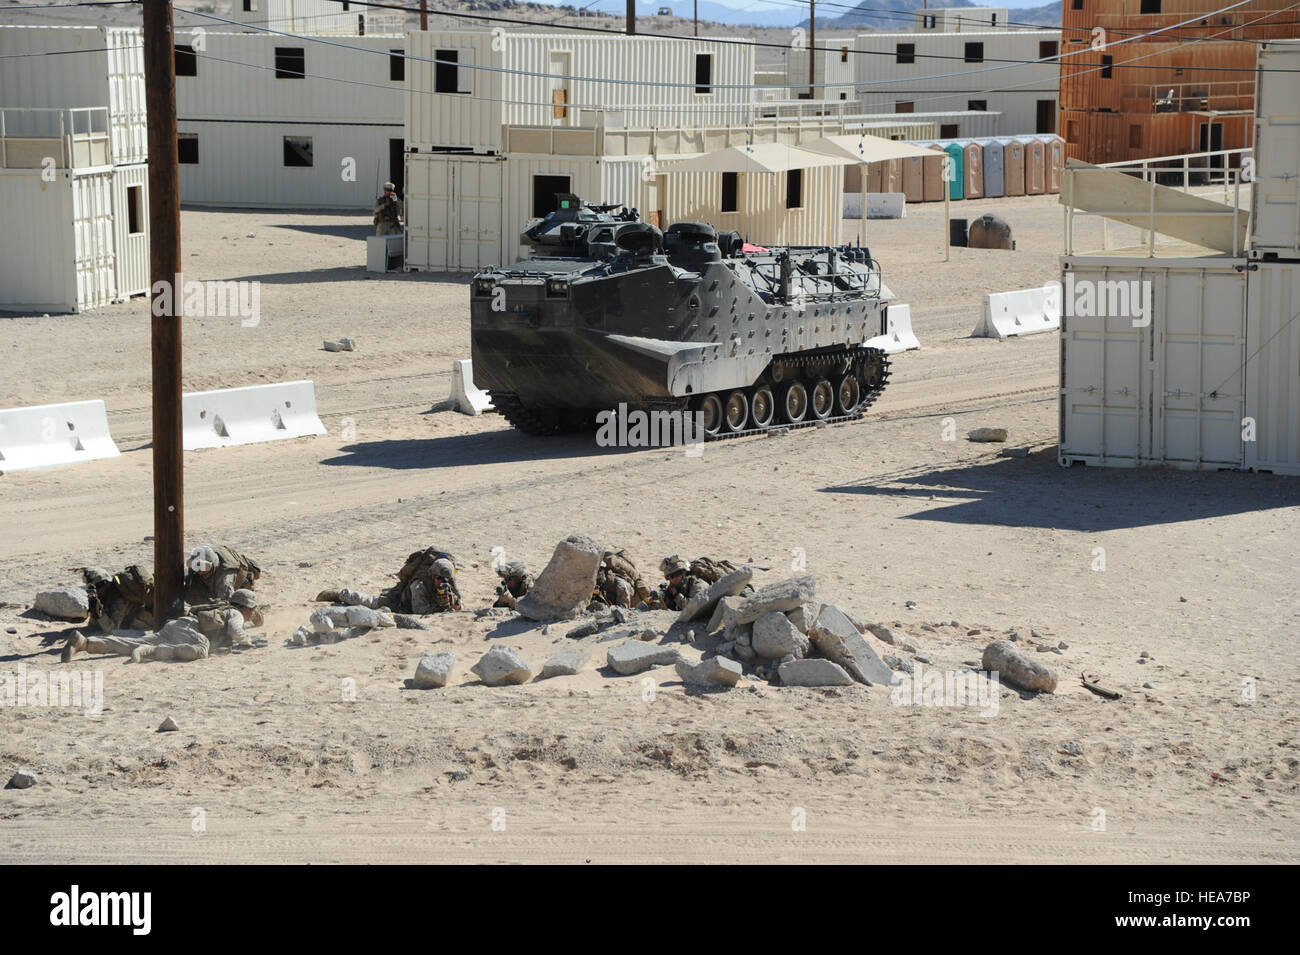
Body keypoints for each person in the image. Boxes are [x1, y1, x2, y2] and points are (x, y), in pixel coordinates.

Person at [61, 589, 263, 663]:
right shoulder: (235, 613)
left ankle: (85, 643)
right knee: (202, 650)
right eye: (252, 609)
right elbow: (236, 631)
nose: (252, 613)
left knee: (130, 643)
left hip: (176, 627)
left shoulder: (224, 608)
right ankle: (153, 651)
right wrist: (248, 644)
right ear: (245, 607)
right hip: (190, 631)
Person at [84, 565, 155, 633]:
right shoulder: (104, 596)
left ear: (106, 583)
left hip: (144, 622)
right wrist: (94, 610)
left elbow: (113, 631)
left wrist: (100, 615)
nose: (96, 591)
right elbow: (93, 627)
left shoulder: (120, 598)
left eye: (98, 587)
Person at [183, 545, 261, 605]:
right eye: (195, 566)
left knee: (228, 603)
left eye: (204, 567)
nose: (200, 571)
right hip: (213, 582)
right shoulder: (196, 567)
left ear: (213, 564)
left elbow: (228, 602)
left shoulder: (225, 576)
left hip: (238, 585)